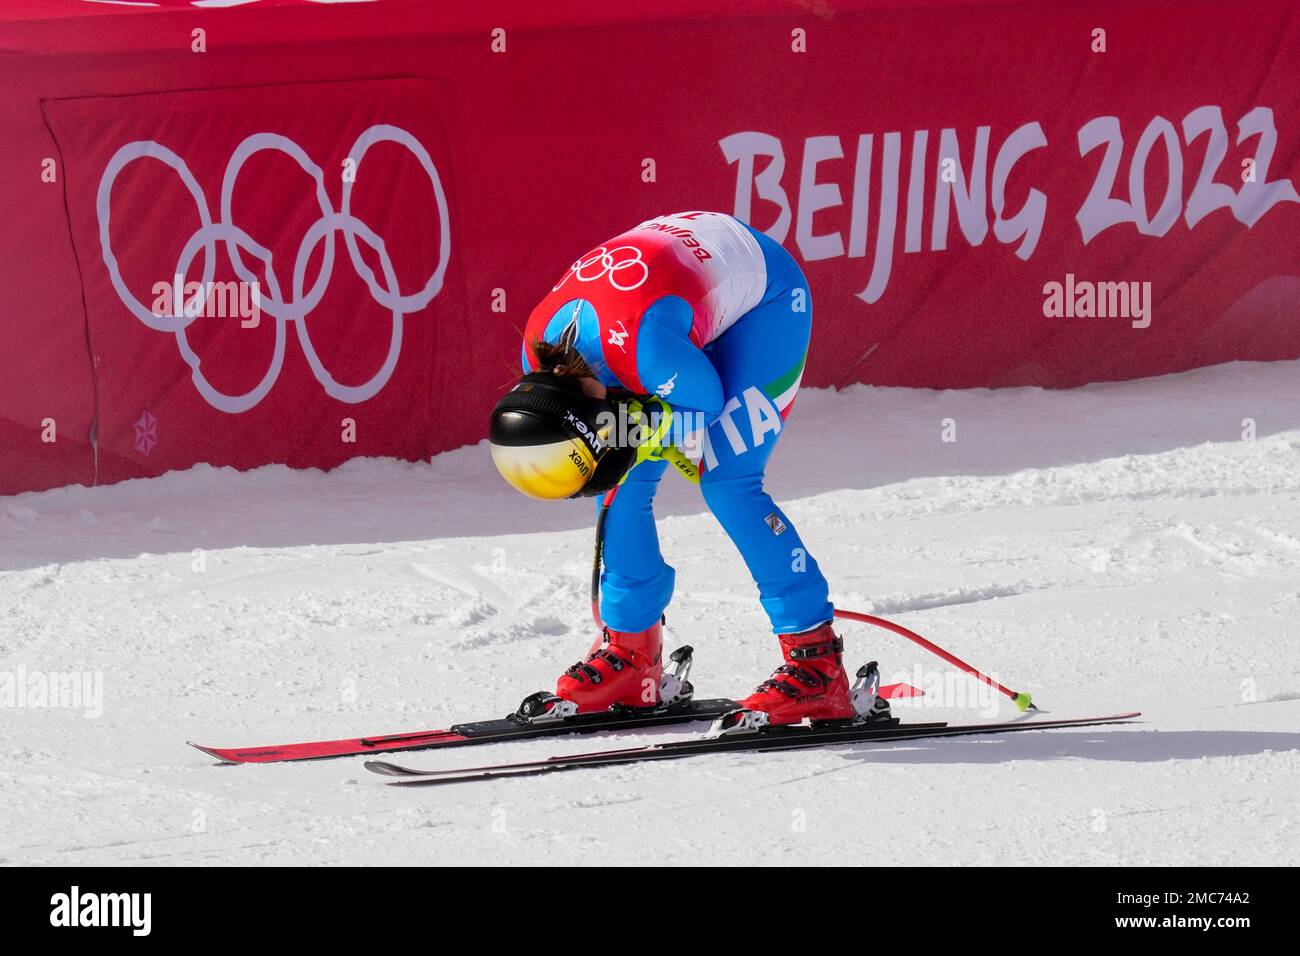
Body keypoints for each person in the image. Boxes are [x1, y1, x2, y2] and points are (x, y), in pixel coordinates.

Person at [489, 211, 866, 726]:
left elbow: (703, 404)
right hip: (671, 298)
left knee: (728, 481)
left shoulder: (643, 349)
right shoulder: (538, 352)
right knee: (620, 478)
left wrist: (633, 436)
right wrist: (624, 445)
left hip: (765, 299)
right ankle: (631, 654)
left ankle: (817, 668)